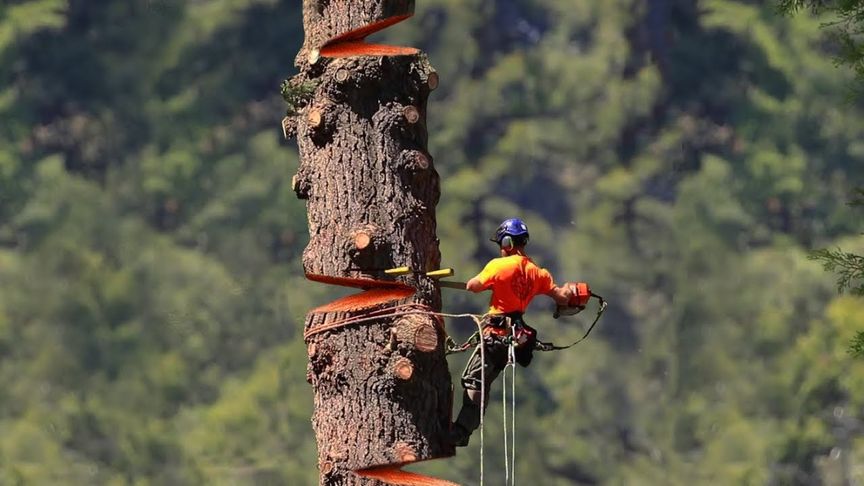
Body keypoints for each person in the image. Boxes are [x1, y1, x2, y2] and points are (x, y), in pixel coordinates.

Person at [449, 218, 573, 447]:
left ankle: (460, 432)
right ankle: (464, 431)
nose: (500, 248)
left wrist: (489, 281)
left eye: (501, 243)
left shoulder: (498, 266)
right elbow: (562, 297)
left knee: (475, 381)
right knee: (484, 383)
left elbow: (472, 286)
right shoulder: (538, 273)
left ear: (507, 242)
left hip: (496, 334)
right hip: (514, 340)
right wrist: (574, 291)